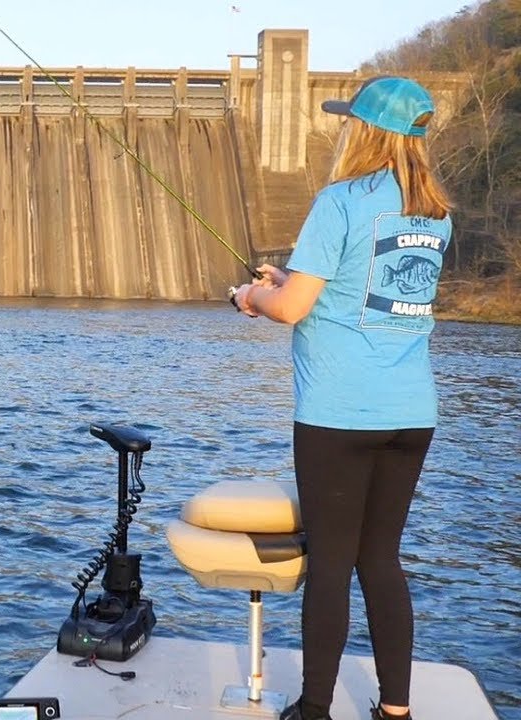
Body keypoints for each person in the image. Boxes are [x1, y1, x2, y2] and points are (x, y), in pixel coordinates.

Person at [232, 76, 453, 720]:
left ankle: (314, 711)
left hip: (339, 412)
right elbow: (367, 289)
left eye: (350, 121)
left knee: (330, 565)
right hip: (411, 413)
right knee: (381, 561)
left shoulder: (341, 201)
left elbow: (292, 308)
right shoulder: (437, 213)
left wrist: (251, 296)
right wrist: (289, 279)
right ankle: (396, 711)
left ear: (365, 130)